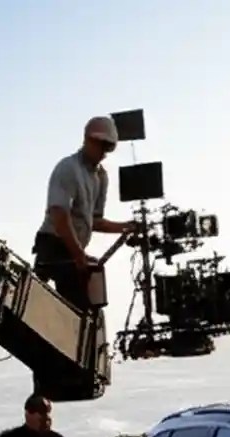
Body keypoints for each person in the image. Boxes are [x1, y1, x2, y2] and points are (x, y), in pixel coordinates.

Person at [32, 114, 137, 311]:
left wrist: (126, 227)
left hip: (73, 250)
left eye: (108, 147)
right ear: (87, 140)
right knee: (75, 307)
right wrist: (79, 255)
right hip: (53, 246)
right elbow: (58, 215)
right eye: (100, 145)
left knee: (91, 304)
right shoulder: (68, 168)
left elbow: (94, 221)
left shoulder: (101, 176)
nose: (103, 152)